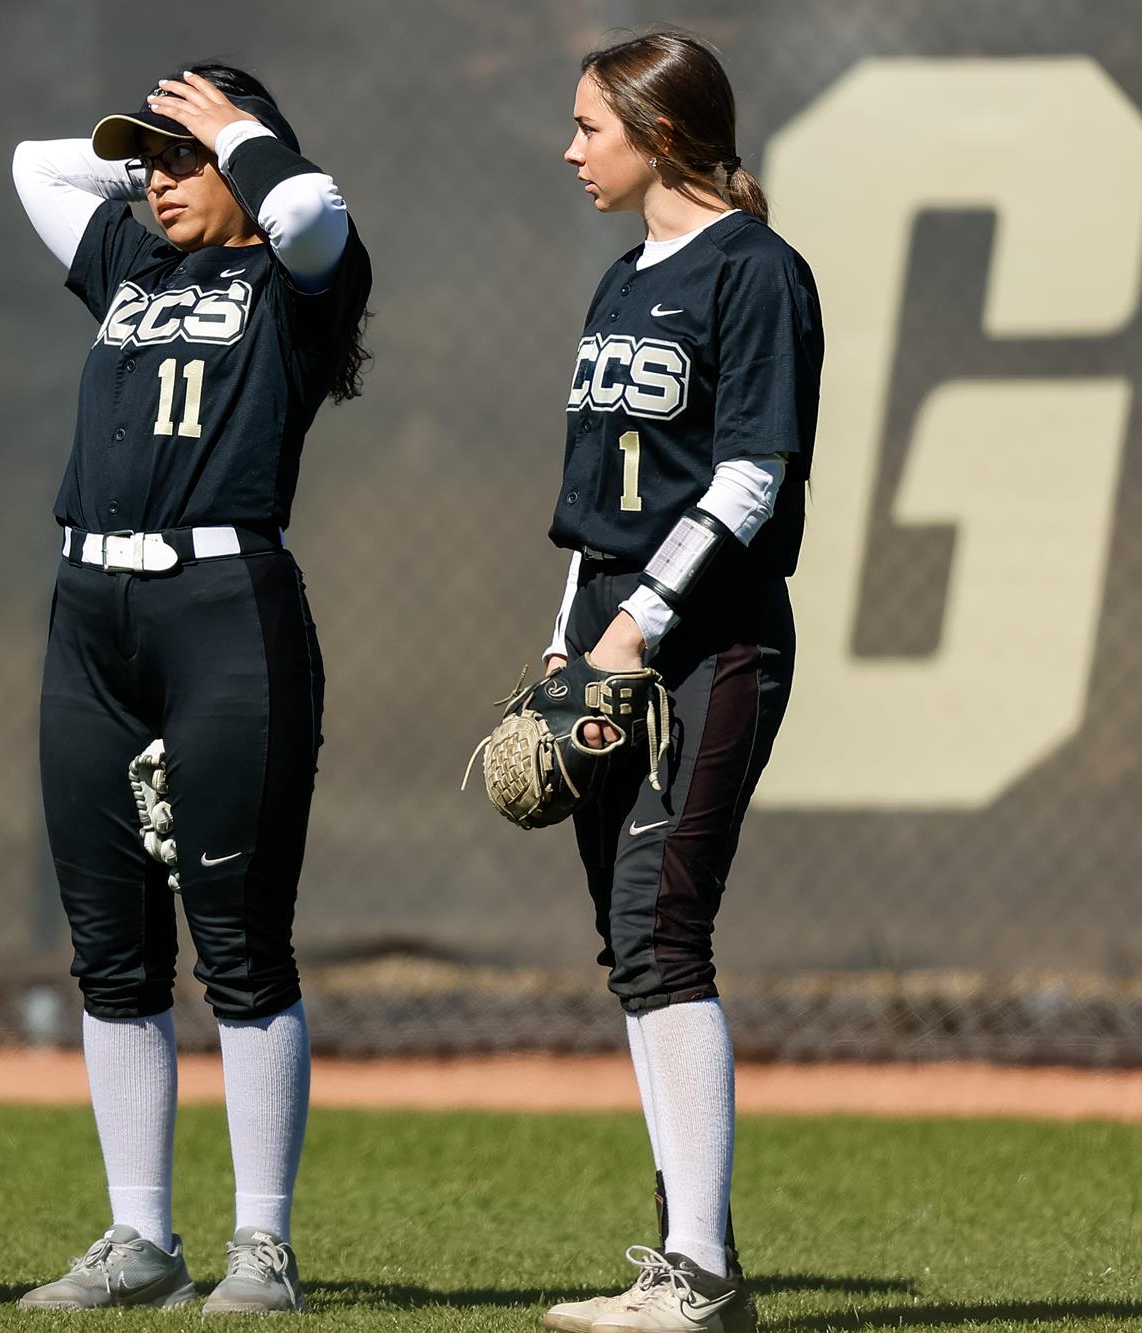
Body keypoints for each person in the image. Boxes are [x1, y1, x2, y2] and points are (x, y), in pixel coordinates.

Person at [9, 64, 370, 1315]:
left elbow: (314, 213)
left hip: (224, 611)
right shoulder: (131, 259)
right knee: (111, 950)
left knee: (237, 944)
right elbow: (30, 166)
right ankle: (139, 1241)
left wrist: (243, 137)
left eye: (181, 159)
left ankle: (259, 1247)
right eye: (146, 162)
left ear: (247, 158)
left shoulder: (292, 275)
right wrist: (157, 146)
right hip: (88, 620)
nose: (157, 179)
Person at [530, 31, 821, 1333]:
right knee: (631, 943)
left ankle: (697, 1273)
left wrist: (638, 622)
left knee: (663, 926)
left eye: (592, 125)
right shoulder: (617, 280)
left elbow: (752, 476)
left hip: (706, 640)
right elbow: (599, 506)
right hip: (606, 635)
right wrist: (567, 632)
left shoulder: (756, 272)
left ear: (658, 129)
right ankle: (687, 1258)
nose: (573, 148)